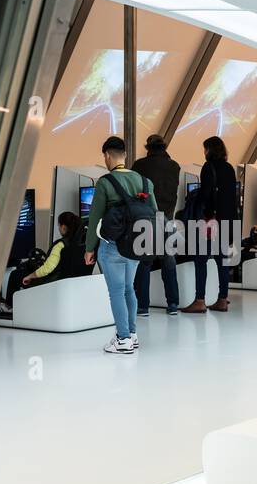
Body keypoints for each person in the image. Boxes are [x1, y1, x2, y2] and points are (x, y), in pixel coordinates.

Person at [86, 135, 157, 354]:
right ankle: (132, 335)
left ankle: (123, 339)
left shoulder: (105, 183)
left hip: (112, 245)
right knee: (129, 289)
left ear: (107, 156)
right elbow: (154, 213)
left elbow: (95, 217)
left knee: (116, 291)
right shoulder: (145, 182)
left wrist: (89, 248)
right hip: (136, 244)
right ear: (125, 155)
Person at [182, 135, 237, 313]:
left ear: (210, 150)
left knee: (201, 259)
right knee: (223, 261)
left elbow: (206, 195)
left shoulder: (208, 167)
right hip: (228, 220)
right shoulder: (229, 168)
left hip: (210, 221)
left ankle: (200, 300)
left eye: (205, 149)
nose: (204, 152)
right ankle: (222, 299)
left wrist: (202, 212)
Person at [0, 211, 85, 315]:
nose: (59, 228)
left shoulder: (60, 245)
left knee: (16, 275)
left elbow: (48, 268)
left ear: (64, 227)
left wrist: (30, 276)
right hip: (64, 280)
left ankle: (8, 305)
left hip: (50, 281)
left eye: (59, 226)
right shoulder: (79, 245)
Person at [131, 133, 181, 316]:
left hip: (146, 217)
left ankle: (143, 306)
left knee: (144, 263)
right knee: (169, 262)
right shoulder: (174, 166)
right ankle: (173, 304)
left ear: (148, 147)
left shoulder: (139, 166)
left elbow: (134, 191)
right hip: (167, 218)